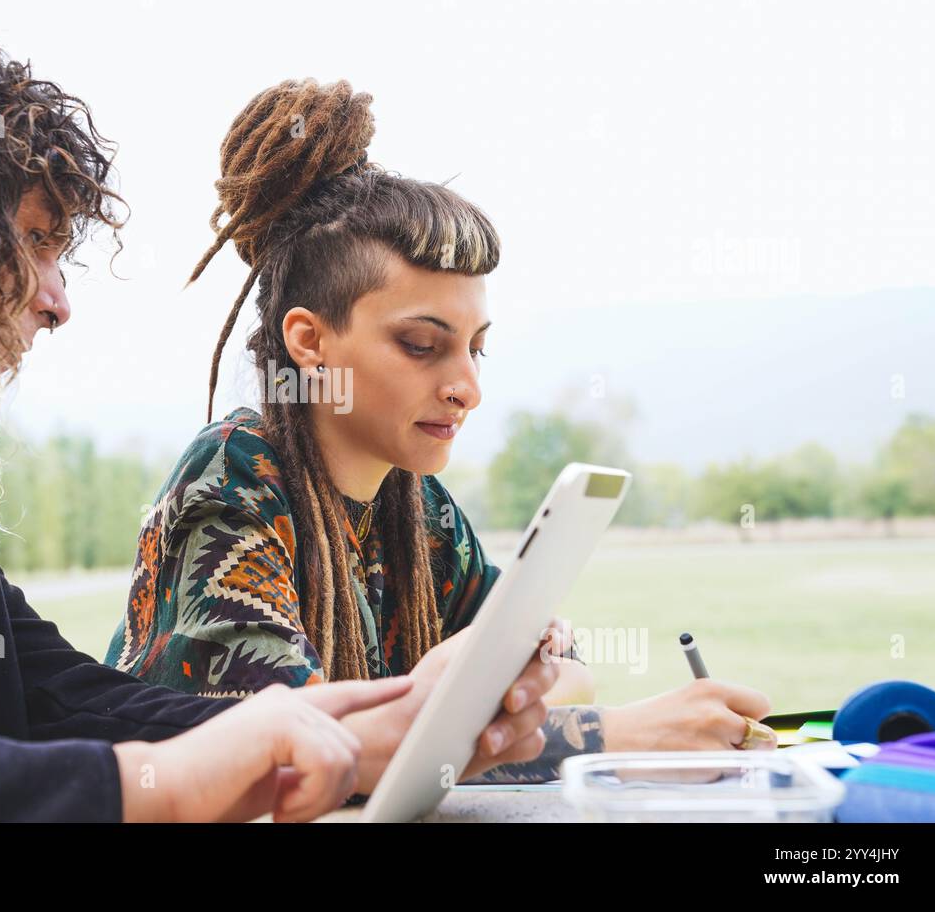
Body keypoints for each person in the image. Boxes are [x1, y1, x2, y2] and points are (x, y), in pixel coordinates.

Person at [0, 12, 556, 822]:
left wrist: (356, 725)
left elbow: (49, 699)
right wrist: (150, 787)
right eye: (38, 242)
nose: (57, 302)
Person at [106, 79, 776, 783]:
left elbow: (562, 672)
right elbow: (299, 755)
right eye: (423, 345)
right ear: (309, 341)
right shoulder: (232, 479)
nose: (467, 388)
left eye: (475, 347)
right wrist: (624, 737)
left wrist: (475, 695)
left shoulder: (417, 506)